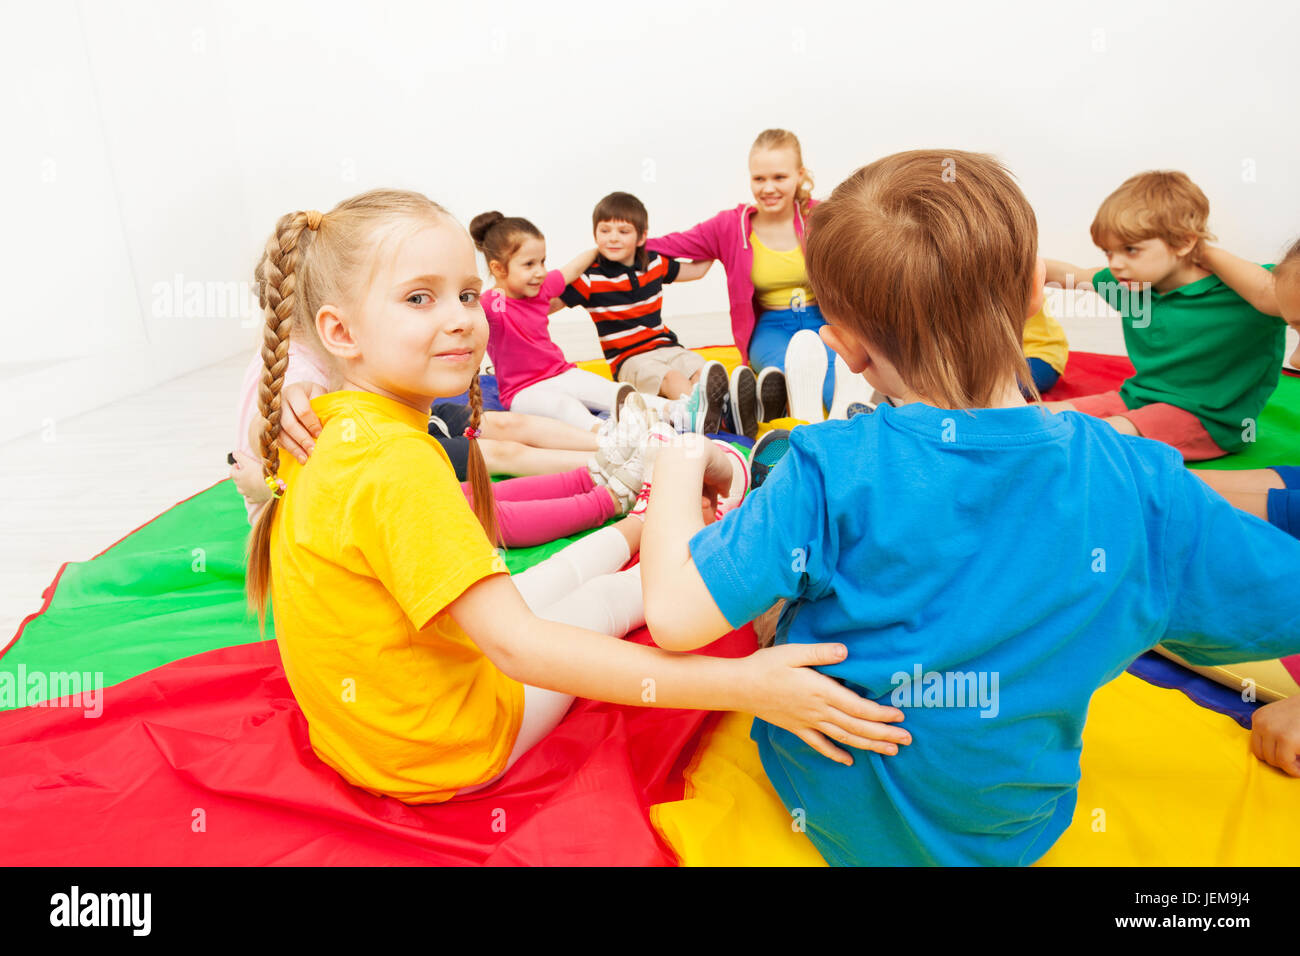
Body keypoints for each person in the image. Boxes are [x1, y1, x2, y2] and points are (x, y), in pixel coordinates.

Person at [638, 150, 1300, 866]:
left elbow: (675, 616)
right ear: (1031, 299)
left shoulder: (829, 468)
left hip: (831, 803)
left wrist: (678, 459)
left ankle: (758, 486)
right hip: (1012, 831)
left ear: (845, 348)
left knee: (778, 530)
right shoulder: (1140, 480)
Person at [243, 187, 901, 804]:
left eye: (468, 295)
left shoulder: (323, 422)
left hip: (370, 736)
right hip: (446, 746)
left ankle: (643, 525)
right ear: (339, 333)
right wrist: (745, 687)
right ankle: (671, 508)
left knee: (533, 583)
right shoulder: (394, 463)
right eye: (420, 299)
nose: (461, 320)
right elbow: (518, 647)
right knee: (592, 602)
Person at [1043, 171, 1288, 460]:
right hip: (1136, 399)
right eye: (1109, 252)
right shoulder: (1131, 285)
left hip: (1210, 422)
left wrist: (1203, 251)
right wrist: (1010, 259)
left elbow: (1273, 295)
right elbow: (1072, 275)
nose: (1116, 264)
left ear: (1185, 242)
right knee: (1040, 415)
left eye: (1131, 250)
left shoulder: (1242, 292)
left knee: (1098, 438)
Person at [647, 129, 835, 426]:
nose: (768, 188)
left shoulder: (823, 218)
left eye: (779, 177)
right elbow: (668, 245)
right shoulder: (730, 227)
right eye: (759, 179)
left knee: (830, 384)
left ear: (799, 175)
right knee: (789, 378)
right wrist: (614, 247)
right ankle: (771, 415)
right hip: (771, 328)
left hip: (823, 321)